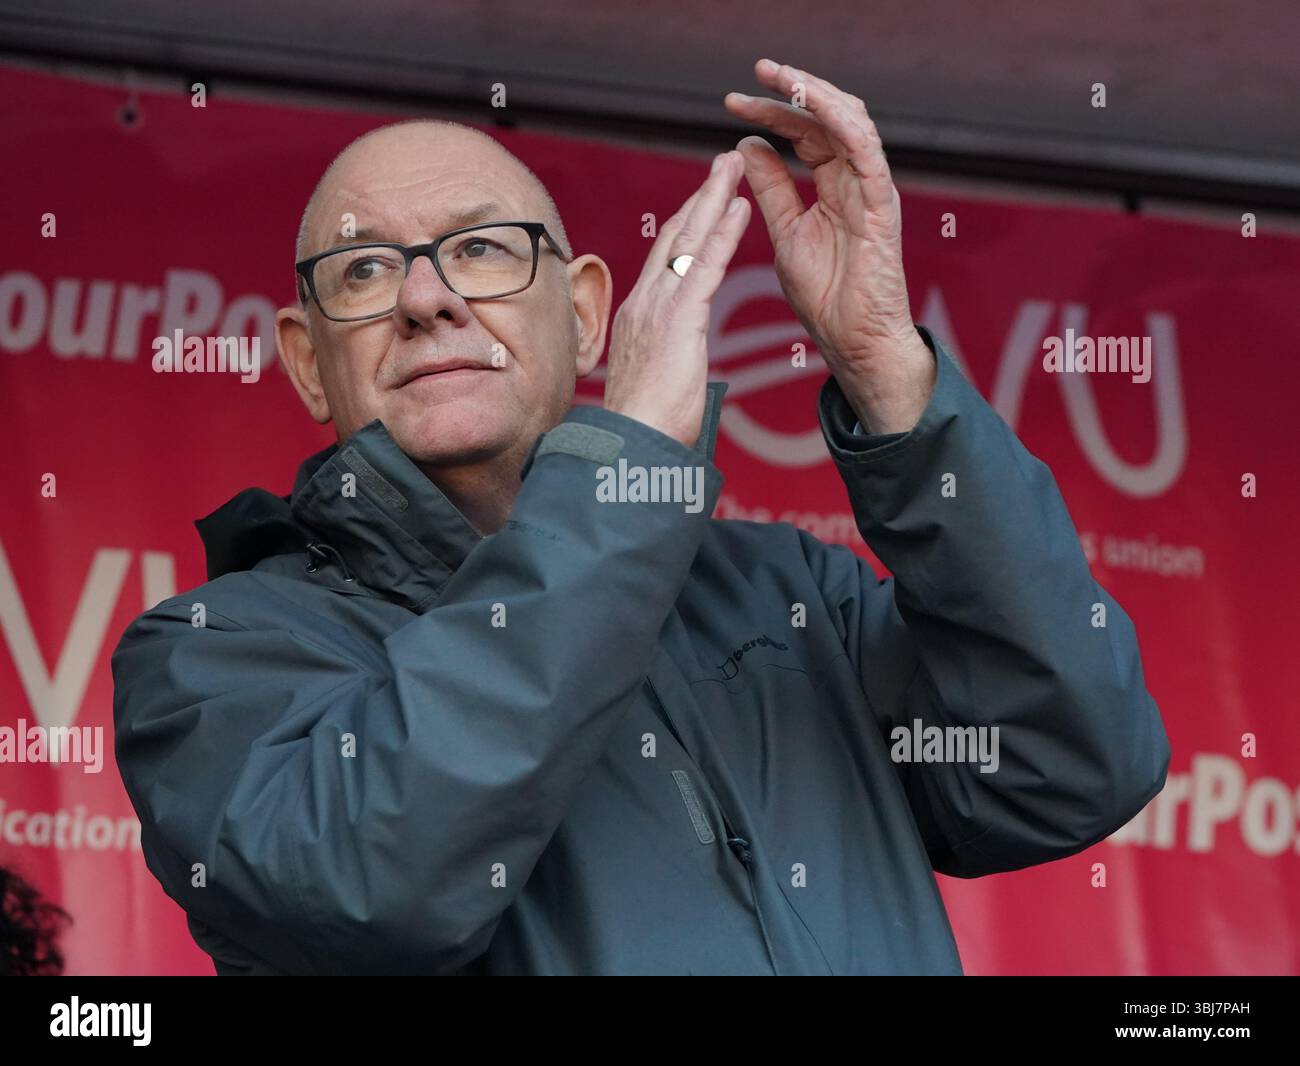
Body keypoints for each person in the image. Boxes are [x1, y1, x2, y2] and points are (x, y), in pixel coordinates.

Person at [111, 57, 1170, 975]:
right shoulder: (215, 661)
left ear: (581, 313)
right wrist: (625, 474)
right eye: (366, 268)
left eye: (480, 249)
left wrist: (888, 372)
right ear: (306, 360)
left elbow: (1067, 766)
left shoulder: (789, 596)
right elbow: (368, 885)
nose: (427, 298)